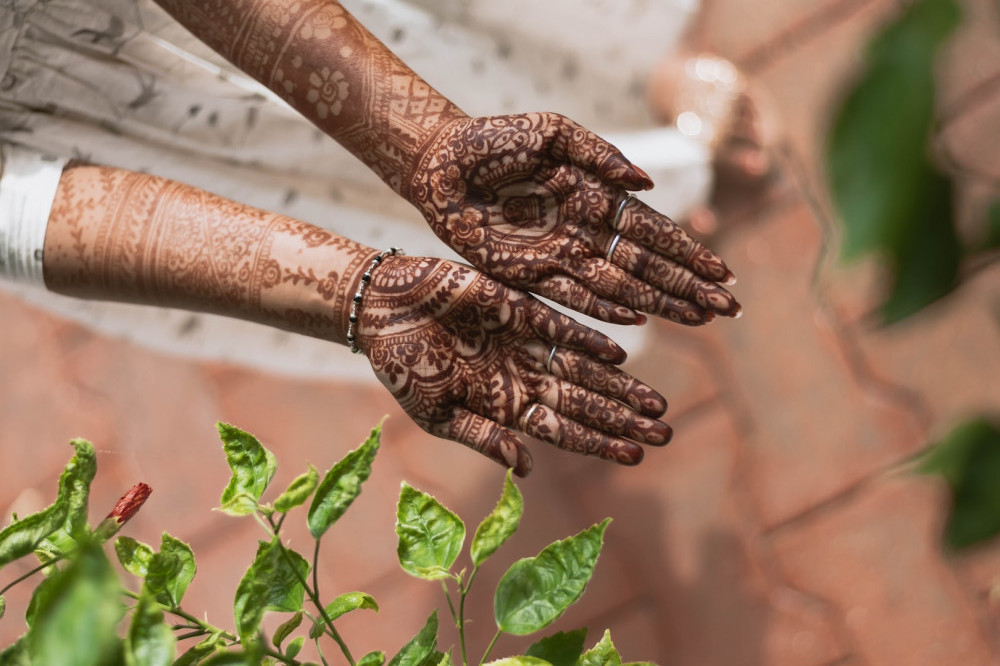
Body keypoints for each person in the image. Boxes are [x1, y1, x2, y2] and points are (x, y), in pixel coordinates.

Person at [0, 0, 740, 474]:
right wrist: (357, 292)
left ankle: (634, 88)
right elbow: (19, 205)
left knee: (430, 46)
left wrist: (420, 143)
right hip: (84, 155)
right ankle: (654, 153)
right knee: (335, 197)